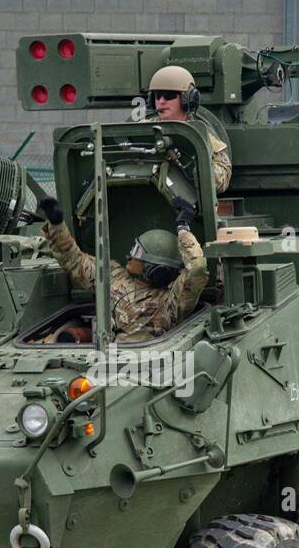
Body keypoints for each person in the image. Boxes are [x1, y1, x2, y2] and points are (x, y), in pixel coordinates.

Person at [39, 196, 207, 343]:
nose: (129, 256)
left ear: (157, 270)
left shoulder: (169, 303)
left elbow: (197, 267)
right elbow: (73, 259)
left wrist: (183, 228)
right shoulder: (115, 277)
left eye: (138, 253)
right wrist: (57, 225)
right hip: (108, 363)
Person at [146, 65, 232, 194]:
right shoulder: (142, 130)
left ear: (188, 99)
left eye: (168, 95)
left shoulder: (201, 136)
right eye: (157, 96)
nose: (161, 102)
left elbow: (222, 181)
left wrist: (194, 166)